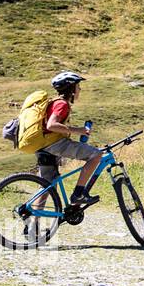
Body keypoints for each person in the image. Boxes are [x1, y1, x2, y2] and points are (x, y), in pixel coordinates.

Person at [40, 71, 102, 208]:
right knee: (96, 155)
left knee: (47, 185)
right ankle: (78, 194)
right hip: (54, 145)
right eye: (78, 86)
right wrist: (78, 130)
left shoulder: (54, 102)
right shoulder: (62, 104)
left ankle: (33, 223)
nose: (80, 89)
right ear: (71, 89)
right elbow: (51, 125)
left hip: (43, 145)